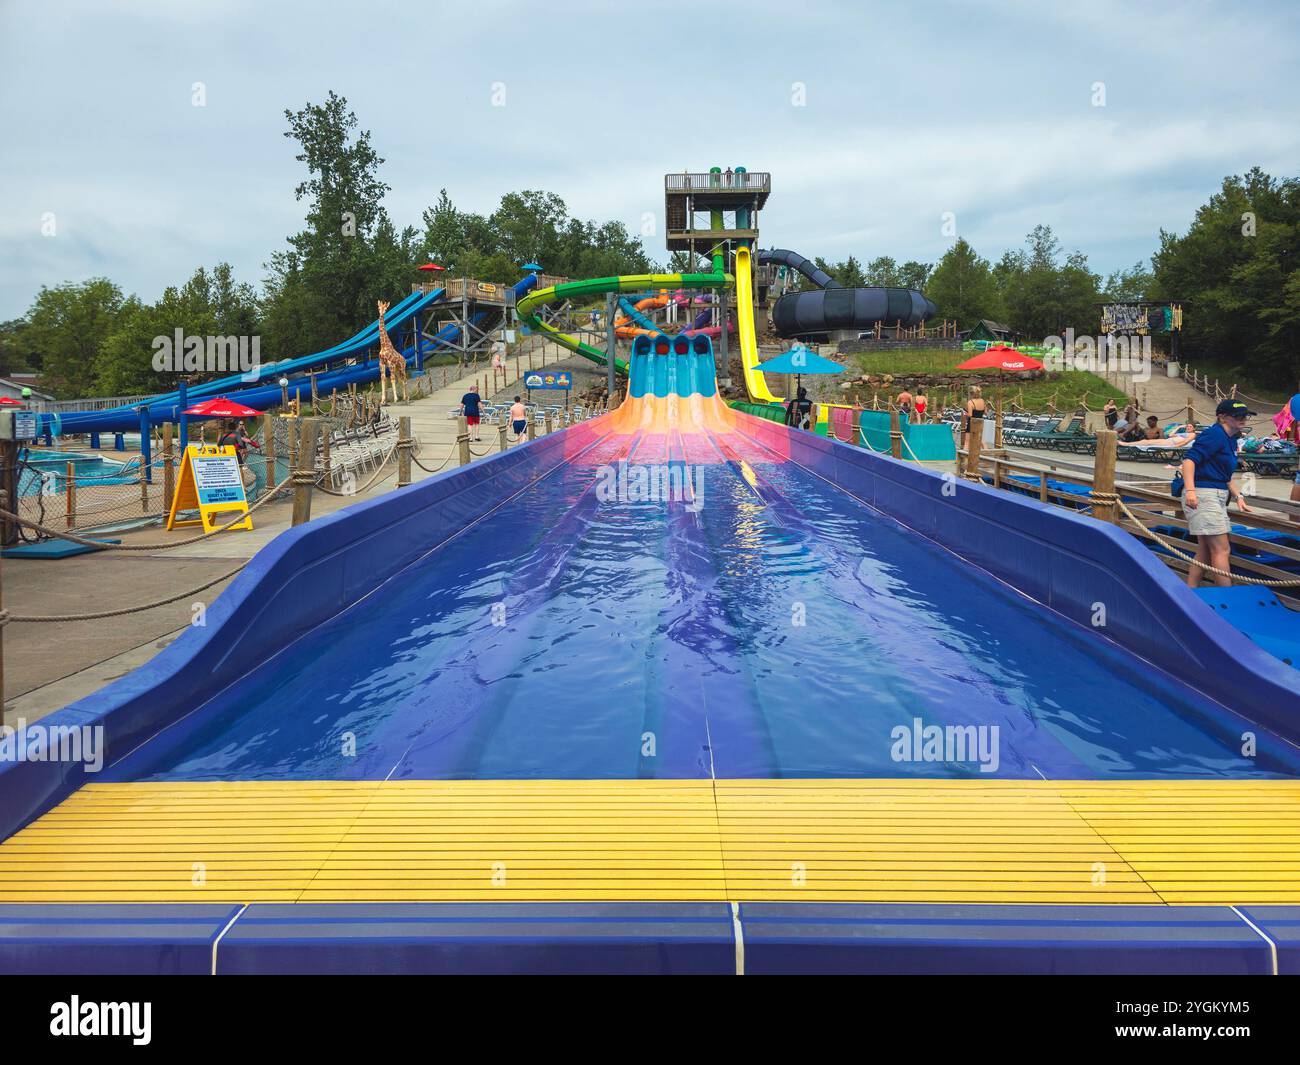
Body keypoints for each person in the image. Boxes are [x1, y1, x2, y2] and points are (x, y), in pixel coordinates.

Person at [1182, 399, 1255, 587]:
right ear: (1222, 417)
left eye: (1245, 415)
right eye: (1238, 416)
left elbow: (1225, 475)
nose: (1243, 419)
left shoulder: (1230, 439)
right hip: (1203, 494)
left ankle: (1190, 591)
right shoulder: (1214, 434)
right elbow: (1189, 461)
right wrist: (1190, 491)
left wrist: (1238, 497)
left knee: (1206, 550)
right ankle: (1227, 597)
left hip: (1216, 494)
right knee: (1222, 550)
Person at [962, 386, 988, 451]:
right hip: (980, 422)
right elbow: (986, 413)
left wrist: (965, 413)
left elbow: (970, 415)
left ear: (971, 394)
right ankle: (988, 455)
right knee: (982, 440)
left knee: (967, 442)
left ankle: (965, 459)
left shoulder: (970, 402)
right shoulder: (982, 401)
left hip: (972, 422)